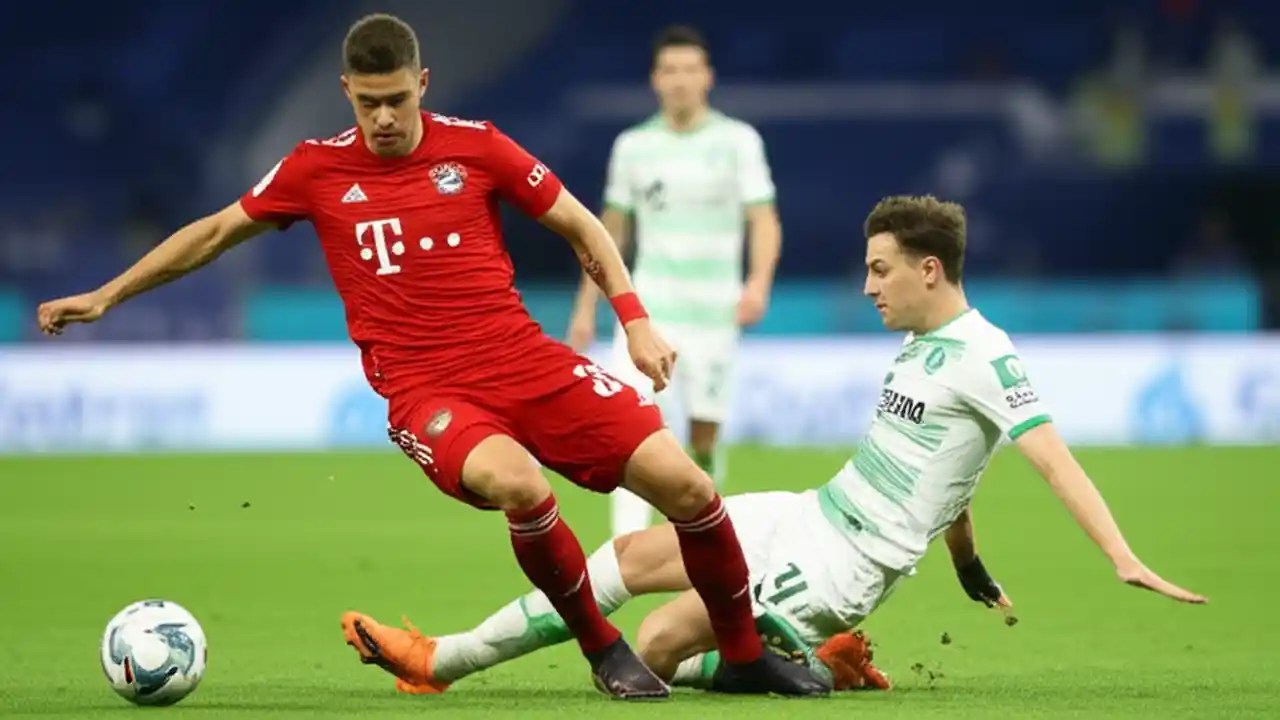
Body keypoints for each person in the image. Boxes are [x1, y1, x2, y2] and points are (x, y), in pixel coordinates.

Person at [34, 13, 826, 700]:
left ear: (424, 82)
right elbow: (210, 233)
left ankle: (744, 658)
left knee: (687, 484)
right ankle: (601, 647)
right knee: (519, 483)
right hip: (428, 390)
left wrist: (637, 321)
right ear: (348, 90)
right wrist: (108, 295)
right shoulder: (315, 168)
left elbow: (585, 228)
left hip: (526, 359)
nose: (384, 118)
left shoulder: (477, 148)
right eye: (369, 102)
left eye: (398, 100)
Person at [346, 194, 1207, 695]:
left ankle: (818, 662)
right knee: (633, 553)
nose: (868, 285)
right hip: (812, 513)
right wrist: (966, 559)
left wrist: (1122, 556)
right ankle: (440, 662)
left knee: (653, 649)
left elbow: (1049, 457)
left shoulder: (988, 356)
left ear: (930, 271)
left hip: (845, 569)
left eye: (880, 270)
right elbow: (952, 471)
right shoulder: (918, 348)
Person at [565, 25, 782, 537]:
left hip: (713, 313)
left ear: (707, 77)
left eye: (690, 69)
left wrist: (758, 283)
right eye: (670, 70)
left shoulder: (737, 142)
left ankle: (700, 533)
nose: (680, 80)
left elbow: (763, 218)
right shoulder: (634, 147)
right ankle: (626, 548)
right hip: (648, 312)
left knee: (702, 436)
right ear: (655, 80)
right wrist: (585, 308)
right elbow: (608, 234)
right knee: (630, 426)